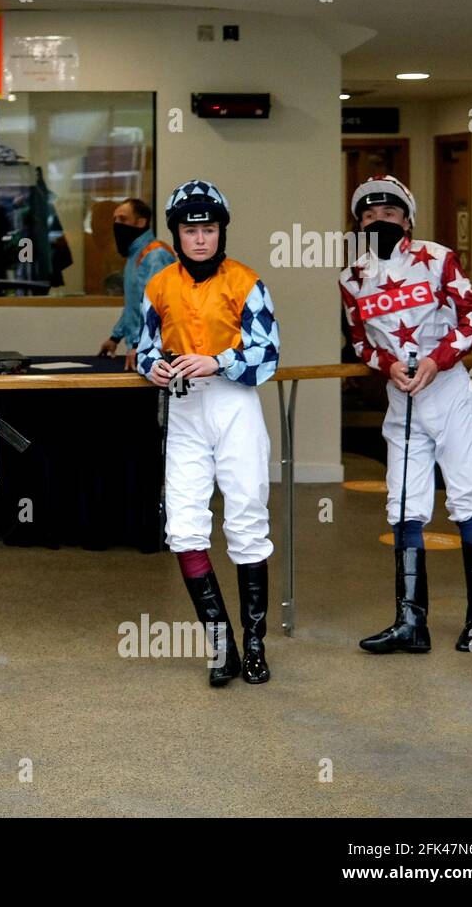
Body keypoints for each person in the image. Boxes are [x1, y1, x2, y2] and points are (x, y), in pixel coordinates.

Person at [340, 175, 472, 653]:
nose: (379, 221)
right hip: (401, 397)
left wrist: (436, 359)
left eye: (389, 214)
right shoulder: (351, 277)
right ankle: (411, 622)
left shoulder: (439, 258)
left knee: (466, 496)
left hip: (447, 390)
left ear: (407, 219)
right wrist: (387, 364)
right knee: (404, 505)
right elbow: (360, 341)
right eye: (368, 216)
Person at [135, 180, 280, 686]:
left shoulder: (246, 281)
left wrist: (217, 360)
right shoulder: (159, 285)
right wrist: (151, 367)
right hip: (184, 408)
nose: (200, 239)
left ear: (221, 232)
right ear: (176, 233)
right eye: (191, 230)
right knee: (184, 526)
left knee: (245, 519)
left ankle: (257, 645)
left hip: (234, 402)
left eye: (209, 230)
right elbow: (145, 346)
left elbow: (268, 354)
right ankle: (223, 647)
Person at [99, 198, 175, 370]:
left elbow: (156, 307)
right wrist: (115, 337)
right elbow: (132, 305)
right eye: (115, 219)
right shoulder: (135, 255)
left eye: (123, 219)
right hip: (140, 351)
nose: (117, 224)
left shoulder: (155, 255)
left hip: (155, 354)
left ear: (141, 222)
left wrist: (140, 346)